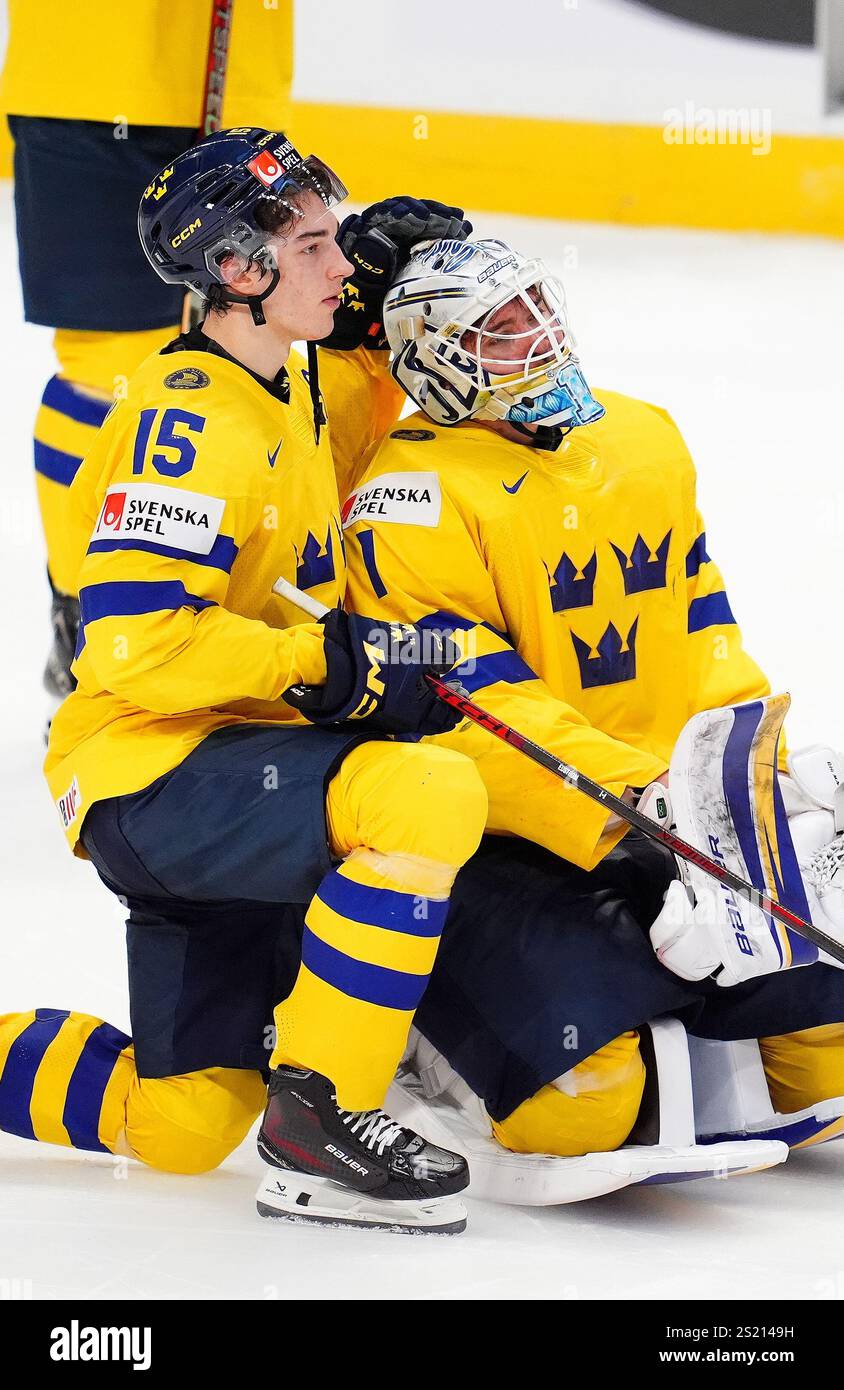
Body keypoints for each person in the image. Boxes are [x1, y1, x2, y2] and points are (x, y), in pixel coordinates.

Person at [1, 129, 491, 1235]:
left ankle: (334, 1028)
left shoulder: (288, 378)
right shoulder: (185, 422)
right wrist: (319, 666)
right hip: (152, 773)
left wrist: (379, 311)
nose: (339, 266)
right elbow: (127, 643)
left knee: (182, 1126)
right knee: (427, 791)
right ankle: (323, 1111)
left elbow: (361, 430)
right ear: (237, 272)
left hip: (228, 763)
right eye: (315, 247)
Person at [340, 235, 844, 1158]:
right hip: (513, 836)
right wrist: (642, 808)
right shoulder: (411, 497)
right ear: (436, 365)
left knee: (832, 1060)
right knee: (586, 1107)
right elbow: (471, 707)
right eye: (499, 331)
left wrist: (744, 780)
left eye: (538, 309)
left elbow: (703, 623)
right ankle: (420, 1025)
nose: (538, 338)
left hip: (663, 807)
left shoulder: (641, 435)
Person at [1, 0, 294, 700]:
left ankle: (217, 609)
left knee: (248, 353)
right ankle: (93, 623)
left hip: (243, 92)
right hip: (97, 75)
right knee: (114, 367)